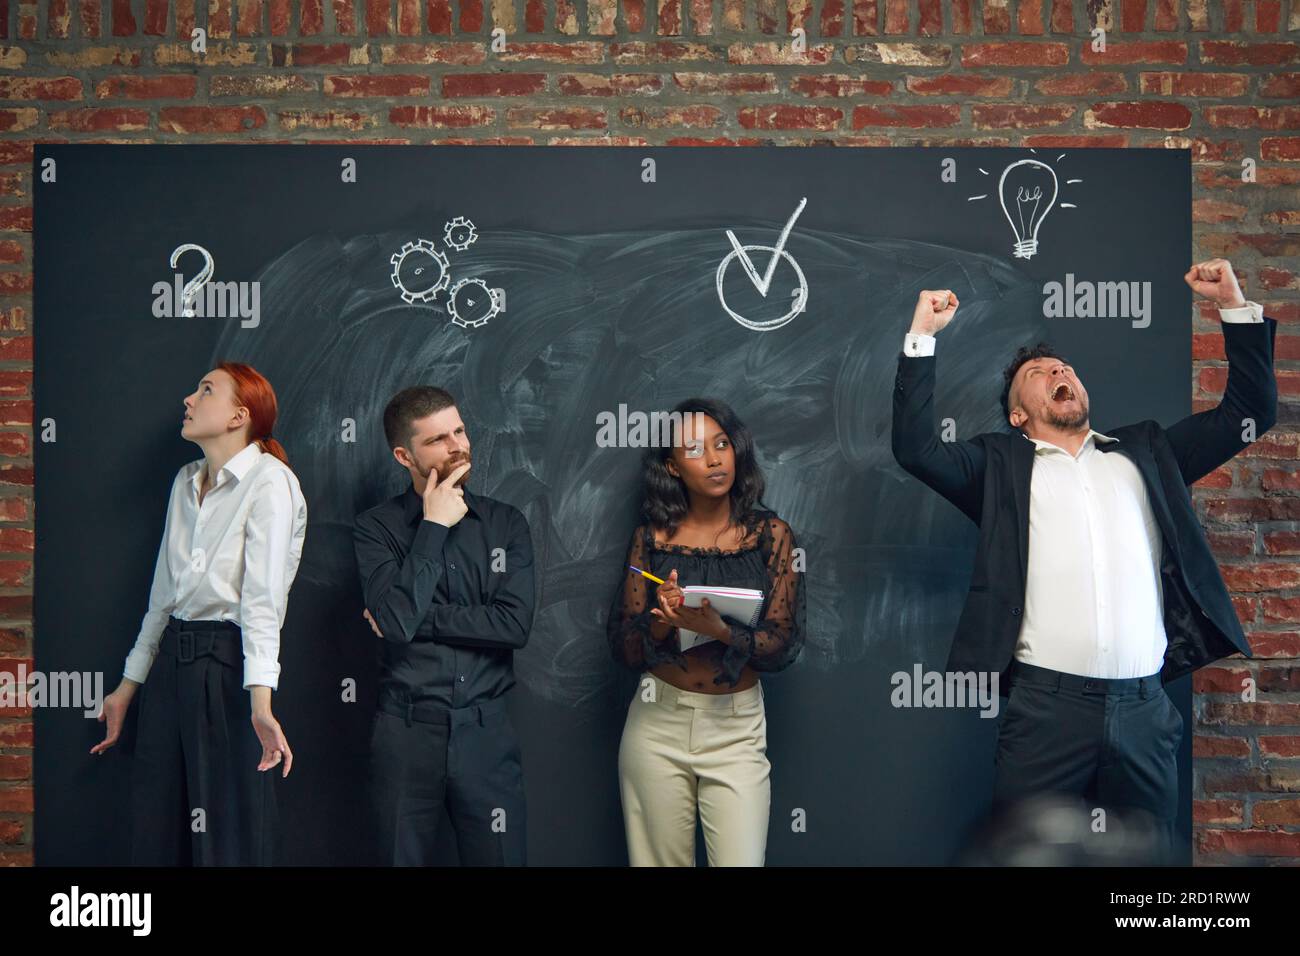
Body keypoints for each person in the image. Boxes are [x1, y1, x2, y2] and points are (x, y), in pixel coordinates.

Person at [890, 258, 1277, 860]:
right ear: (1019, 415)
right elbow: (915, 448)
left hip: (1145, 711)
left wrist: (1233, 301)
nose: (1058, 371)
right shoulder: (996, 466)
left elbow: (1249, 414)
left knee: (1147, 875)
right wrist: (923, 337)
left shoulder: (1148, 452)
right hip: (1045, 713)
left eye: (1064, 367)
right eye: (1040, 373)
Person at [92, 362, 308, 866]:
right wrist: (129, 686)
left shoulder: (271, 483)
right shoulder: (186, 481)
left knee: (229, 835)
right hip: (171, 665)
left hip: (227, 668)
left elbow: (262, 603)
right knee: (156, 828)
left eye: (205, 391)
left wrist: (260, 704)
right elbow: (163, 596)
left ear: (239, 414)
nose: (188, 400)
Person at [607, 397, 805, 866]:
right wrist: (662, 620)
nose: (716, 459)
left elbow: (781, 643)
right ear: (672, 467)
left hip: (735, 728)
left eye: (722, 444)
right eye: (696, 450)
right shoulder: (650, 537)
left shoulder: (772, 535)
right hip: (657, 723)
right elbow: (625, 647)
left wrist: (721, 631)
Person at [354, 387, 535, 866]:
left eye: (459, 430)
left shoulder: (506, 524)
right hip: (406, 735)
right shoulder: (377, 528)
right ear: (404, 455)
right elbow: (395, 621)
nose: (457, 446)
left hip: (486, 734)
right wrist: (432, 527)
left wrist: (415, 619)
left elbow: (513, 625)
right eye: (437, 439)